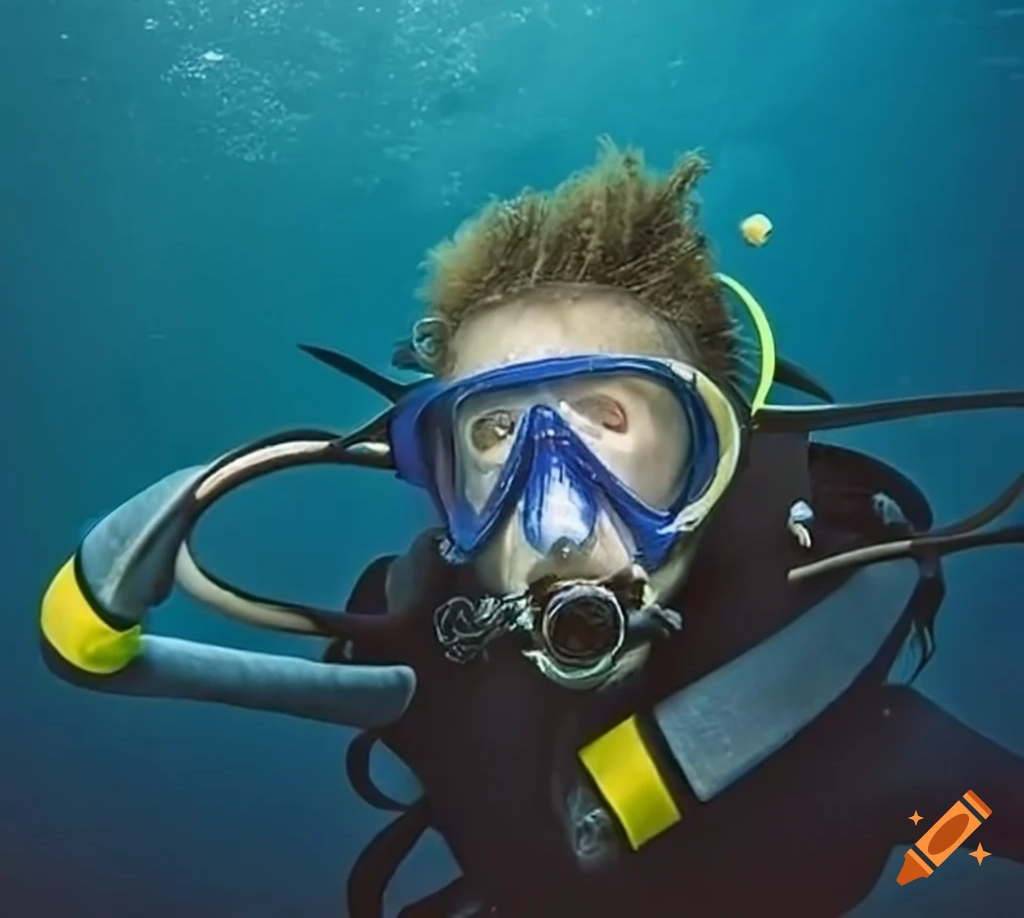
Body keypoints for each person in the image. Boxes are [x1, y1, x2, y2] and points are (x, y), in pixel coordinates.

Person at [40, 142, 1024, 917]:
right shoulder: (400, 647)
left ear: (709, 459)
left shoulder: (886, 753)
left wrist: (942, 853)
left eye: (609, 419)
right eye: (498, 432)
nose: (555, 515)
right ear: (444, 480)